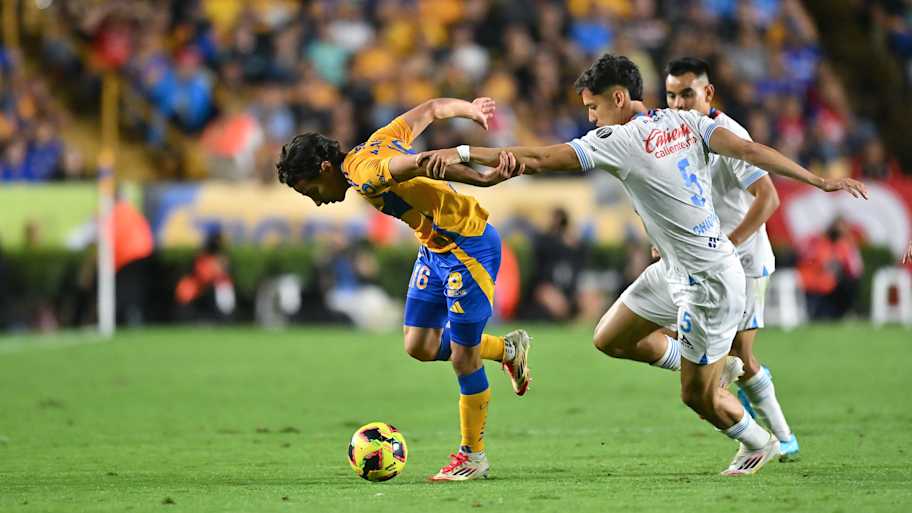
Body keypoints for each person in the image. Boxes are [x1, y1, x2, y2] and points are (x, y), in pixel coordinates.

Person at [419, 54, 867, 476]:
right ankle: (713, 366)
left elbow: (537, 158)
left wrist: (464, 152)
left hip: (708, 281)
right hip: (674, 270)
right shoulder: (686, 121)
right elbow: (750, 150)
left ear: (618, 98)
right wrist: (817, 179)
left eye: (593, 107)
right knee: (610, 337)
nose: (590, 118)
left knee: (696, 397)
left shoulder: (620, 140)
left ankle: (757, 440)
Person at [275, 96, 530, 481]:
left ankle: (473, 456)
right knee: (419, 345)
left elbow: (423, 162)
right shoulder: (375, 143)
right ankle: (507, 349)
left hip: (468, 247)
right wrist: (470, 109)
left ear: (325, 168)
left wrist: (485, 178)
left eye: (311, 190)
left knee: (464, 358)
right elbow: (431, 109)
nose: (317, 201)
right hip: (434, 248)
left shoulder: (365, 173)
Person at [658, 57, 799, 461]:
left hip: (745, 261)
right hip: (704, 264)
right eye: (671, 96)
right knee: (676, 333)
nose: (678, 104)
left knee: (741, 355)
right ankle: (751, 415)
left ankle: (783, 437)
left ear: (708, 93)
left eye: (687, 94)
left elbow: (768, 198)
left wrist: (728, 245)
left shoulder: (730, 136)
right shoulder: (673, 136)